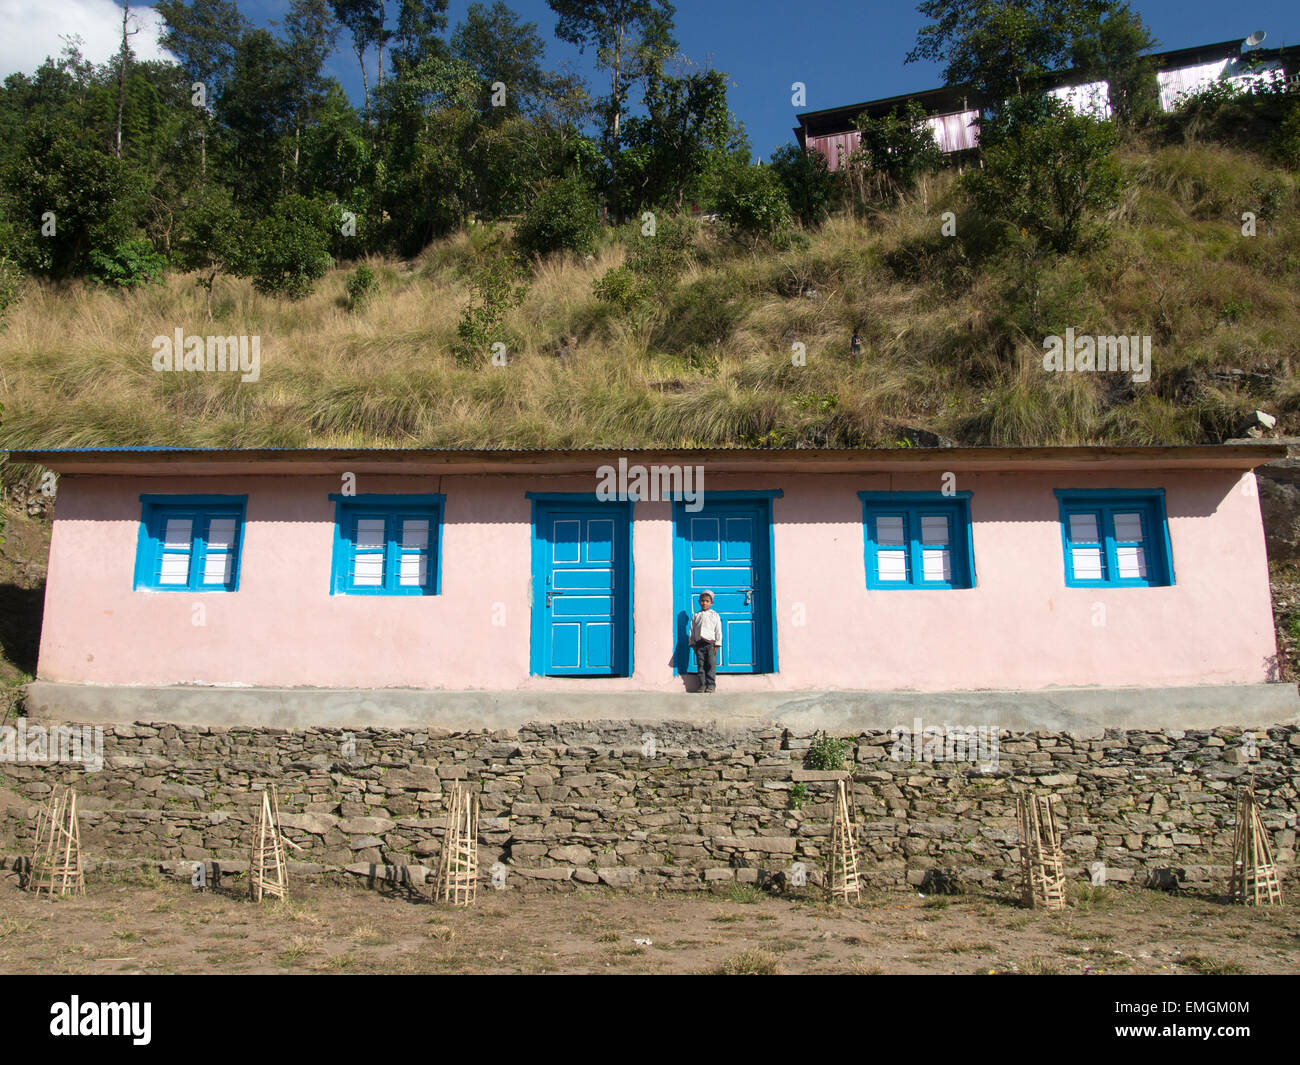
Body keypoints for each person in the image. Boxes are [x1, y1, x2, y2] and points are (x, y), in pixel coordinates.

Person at [690, 590, 722, 693]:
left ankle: (711, 685)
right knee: (701, 665)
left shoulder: (715, 615)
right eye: (702, 601)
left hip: (710, 645)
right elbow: (692, 630)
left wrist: (717, 644)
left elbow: (718, 630)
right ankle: (702, 685)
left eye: (707, 601)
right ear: (699, 602)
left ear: (711, 603)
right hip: (699, 644)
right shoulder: (696, 615)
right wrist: (692, 643)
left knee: (711, 665)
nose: (704, 603)